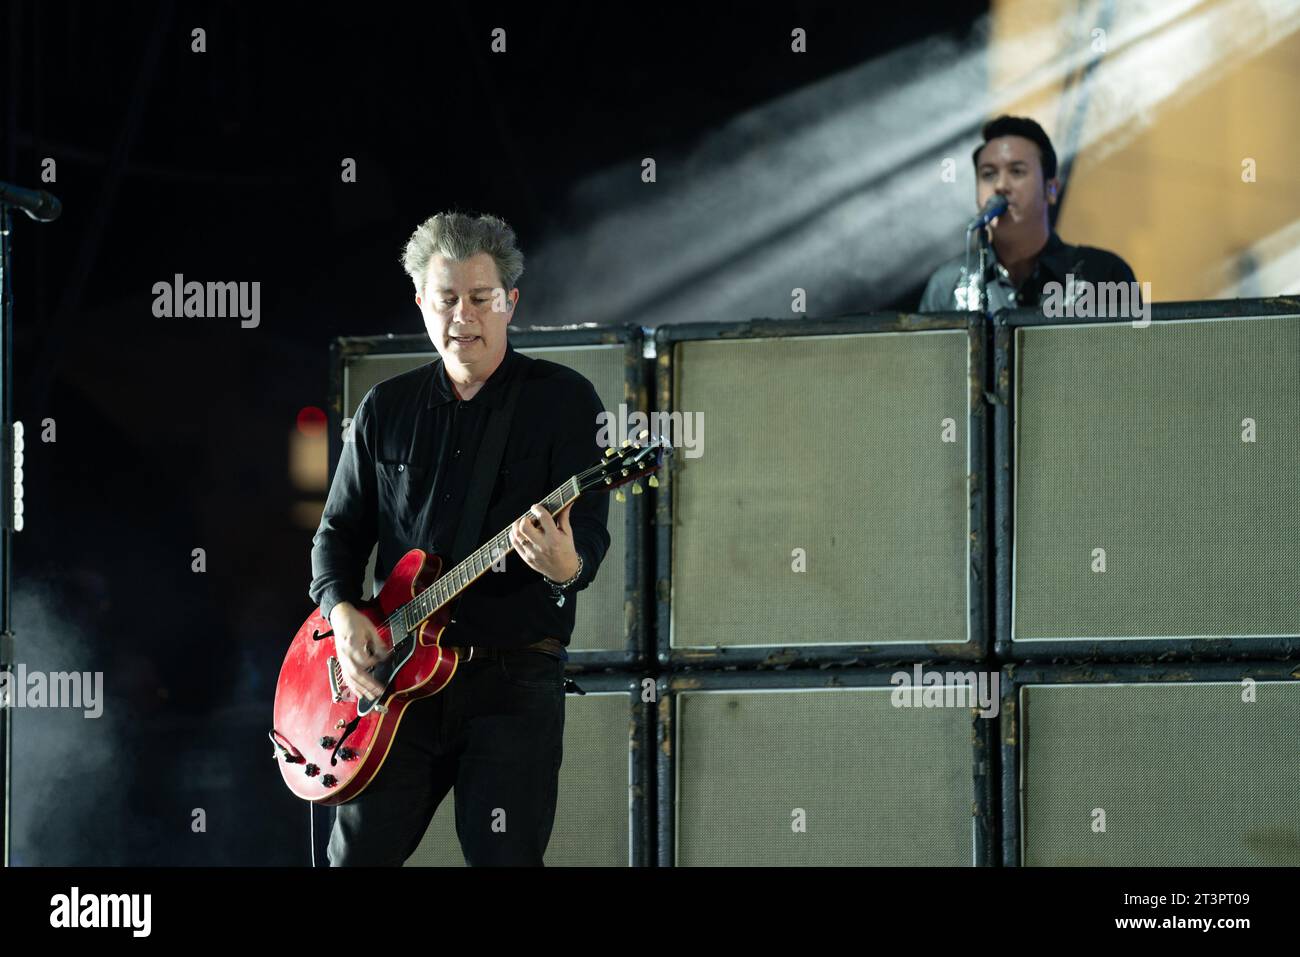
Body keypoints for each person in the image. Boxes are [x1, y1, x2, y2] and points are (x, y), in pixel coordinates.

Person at [308, 211, 610, 866]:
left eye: (481, 298)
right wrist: (342, 614)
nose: (462, 316)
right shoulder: (385, 409)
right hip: (392, 684)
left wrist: (565, 564)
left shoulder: (564, 401)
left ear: (510, 303)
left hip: (511, 682)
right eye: (446, 298)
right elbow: (337, 534)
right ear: (422, 302)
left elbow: (586, 538)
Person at [918, 115, 1137, 312]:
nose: (1001, 185)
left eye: (1017, 171)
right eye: (988, 174)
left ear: (1051, 189)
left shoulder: (1103, 274)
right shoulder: (947, 284)